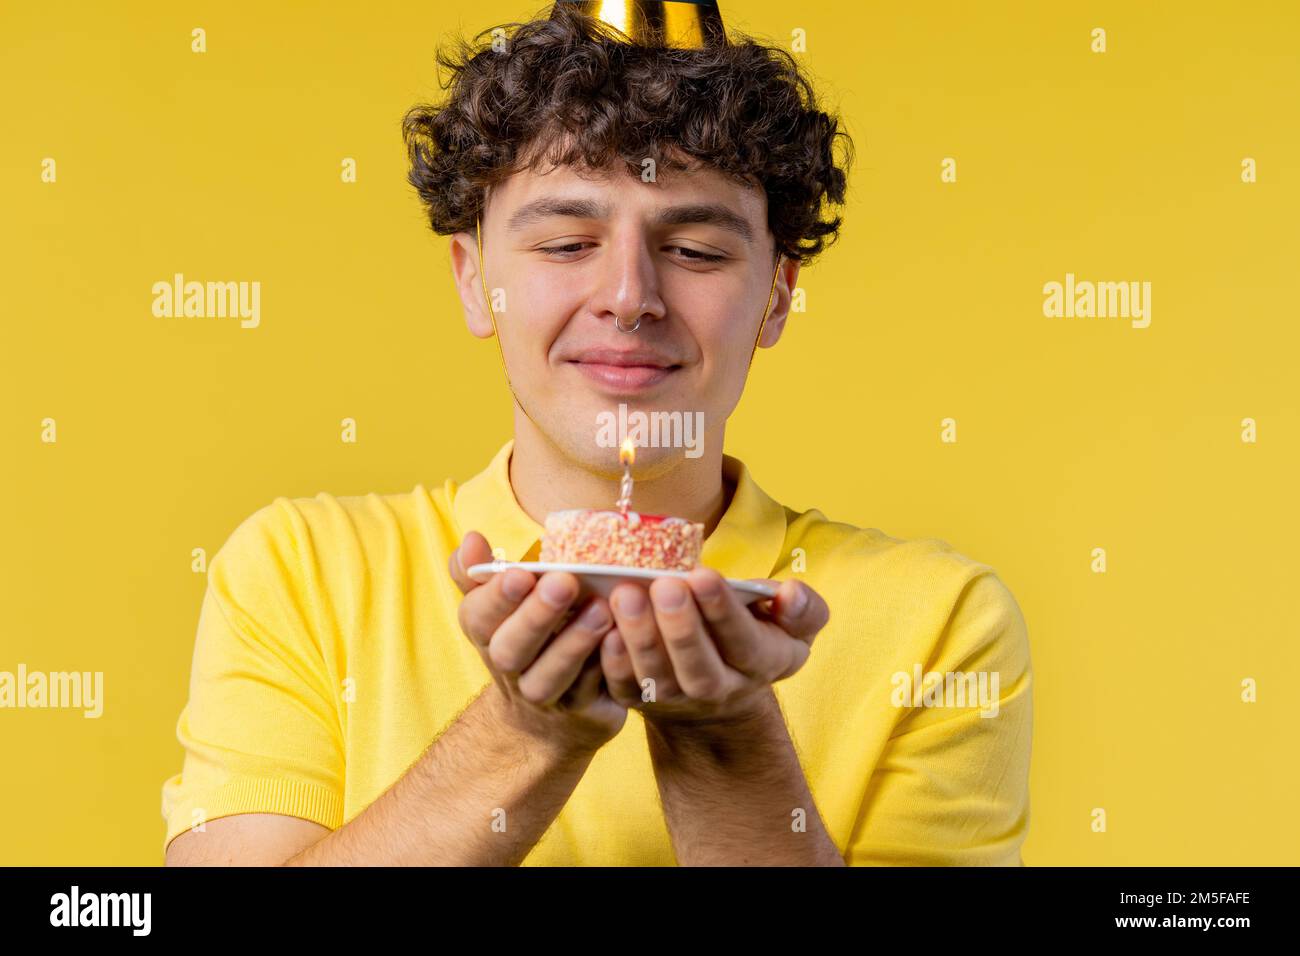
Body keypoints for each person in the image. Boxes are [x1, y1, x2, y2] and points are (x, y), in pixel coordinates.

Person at [161, 0, 1032, 866]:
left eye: (695, 250)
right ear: (474, 283)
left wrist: (725, 740)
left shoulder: (940, 620)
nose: (629, 296)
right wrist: (521, 731)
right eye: (568, 242)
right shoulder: (299, 572)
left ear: (777, 295)